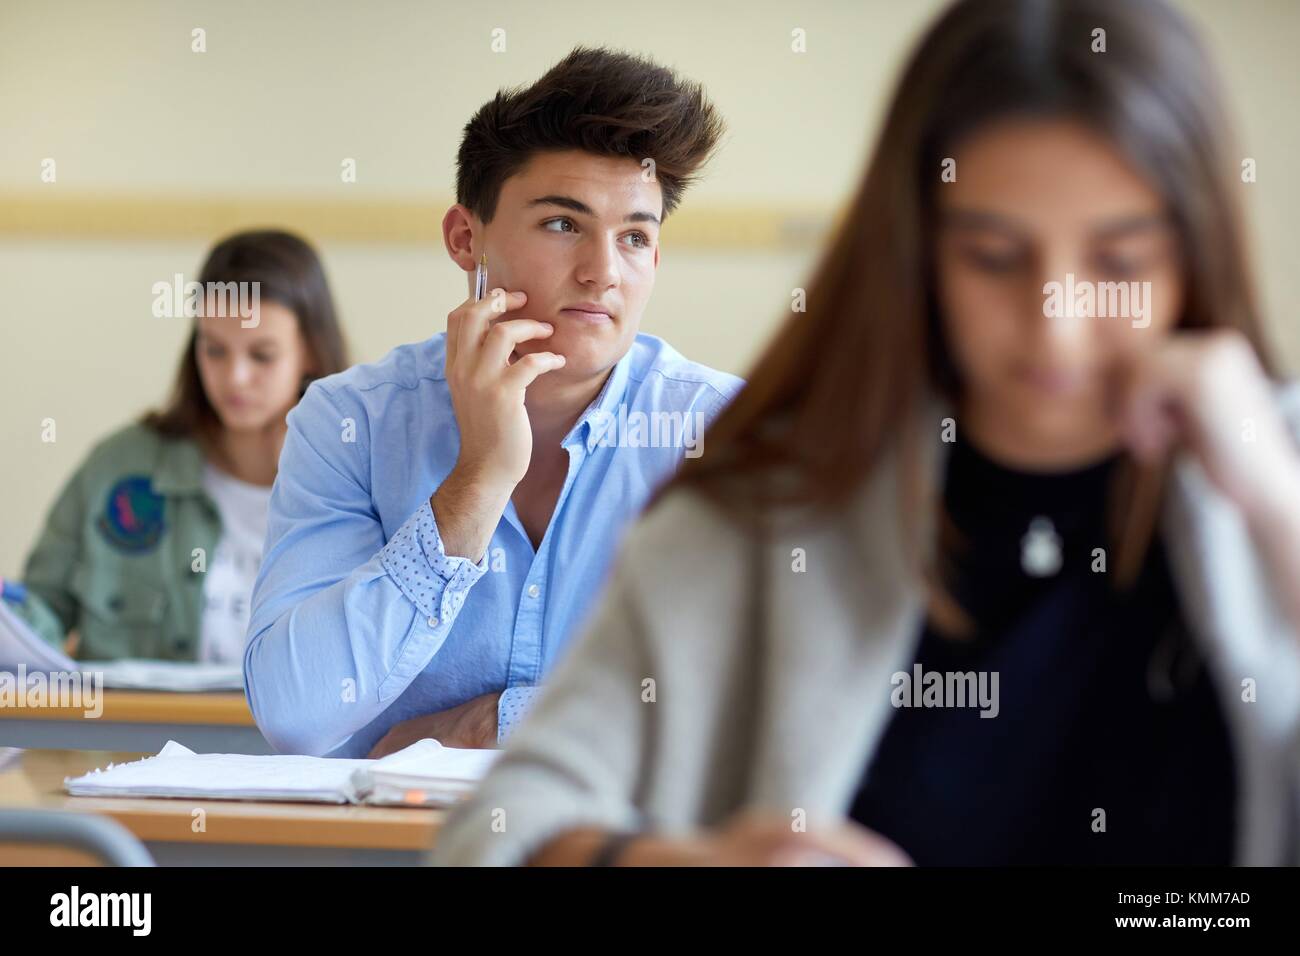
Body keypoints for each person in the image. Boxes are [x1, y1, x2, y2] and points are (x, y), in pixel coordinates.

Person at [431, 0, 1300, 866]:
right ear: (914, 253)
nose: (1055, 329)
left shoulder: (1275, 473)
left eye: (1119, 263)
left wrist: (1274, 504)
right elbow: (498, 829)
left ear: (1195, 251)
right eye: (995, 258)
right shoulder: (772, 502)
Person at [244, 47, 743, 757]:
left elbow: (758, 709)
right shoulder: (348, 422)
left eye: (634, 236)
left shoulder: (722, 431)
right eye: (563, 224)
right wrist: (478, 480)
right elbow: (297, 712)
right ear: (465, 239)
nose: (604, 272)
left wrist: (491, 726)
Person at [3, 230, 348, 664]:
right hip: (132, 730)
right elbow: (40, 615)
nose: (235, 377)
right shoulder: (119, 467)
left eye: (262, 355)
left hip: (292, 734)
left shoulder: (355, 476)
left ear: (310, 354)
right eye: (215, 350)